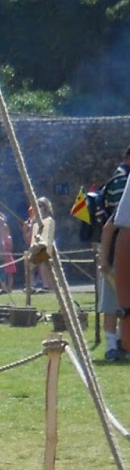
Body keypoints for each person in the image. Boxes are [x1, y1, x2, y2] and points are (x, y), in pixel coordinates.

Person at [99, 148, 130, 360]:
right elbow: (111, 226)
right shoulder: (121, 181)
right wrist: (104, 261)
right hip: (117, 256)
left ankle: (119, 342)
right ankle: (112, 345)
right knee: (112, 304)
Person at [26, 197, 57, 294]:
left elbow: (50, 235)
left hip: (46, 246)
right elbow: (30, 235)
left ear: (46, 207)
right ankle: (30, 286)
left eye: (40, 206)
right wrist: (31, 225)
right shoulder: (34, 221)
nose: (38, 208)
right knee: (29, 266)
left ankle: (47, 286)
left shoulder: (49, 220)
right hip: (36, 246)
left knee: (44, 267)